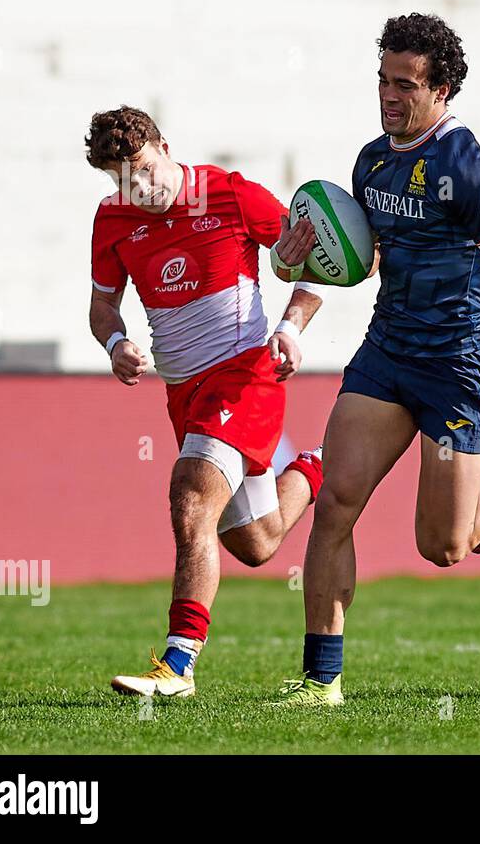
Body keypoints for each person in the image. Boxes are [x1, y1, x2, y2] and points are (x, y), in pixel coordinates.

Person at [269, 14, 480, 706]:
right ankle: (322, 680)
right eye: (383, 80)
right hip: (387, 353)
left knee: (445, 546)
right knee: (336, 502)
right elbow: (365, 259)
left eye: (405, 85)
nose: (389, 95)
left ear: (443, 89)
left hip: (459, 369)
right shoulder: (372, 160)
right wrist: (295, 263)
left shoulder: (465, 165)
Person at [86, 105, 326, 698]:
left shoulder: (228, 193)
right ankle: (328, 460)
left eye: (142, 168)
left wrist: (292, 327)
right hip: (183, 393)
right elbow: (101, 308)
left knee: (190, 496)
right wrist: (116, 342)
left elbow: (319, 259)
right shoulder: (112, 219)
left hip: (246, 375)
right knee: (256, 542)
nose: (137, 187)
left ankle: (178, 663)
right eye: (121, 178)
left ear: (164, 146)